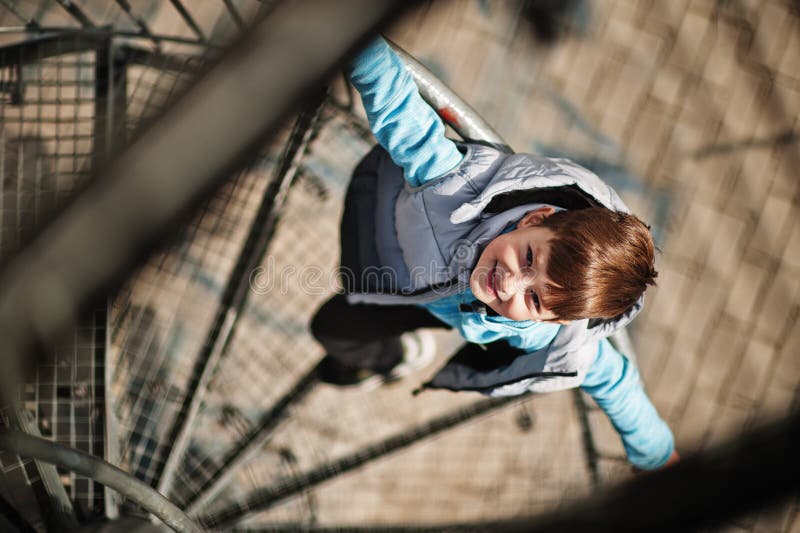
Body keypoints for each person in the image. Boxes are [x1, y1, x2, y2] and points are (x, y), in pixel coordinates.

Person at [310, 37, 677, 470]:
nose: (509, 282)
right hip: (387, 229)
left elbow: (618, 384)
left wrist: (659, 457)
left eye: (534, 299)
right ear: (534, 219)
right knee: (352, 288)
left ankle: (400, 356)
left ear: (555, 321)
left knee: (331, 327)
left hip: (437, 300)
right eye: (528, 259)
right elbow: (396, 106)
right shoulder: (451, 188)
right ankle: (392, 339)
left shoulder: (549, 334)